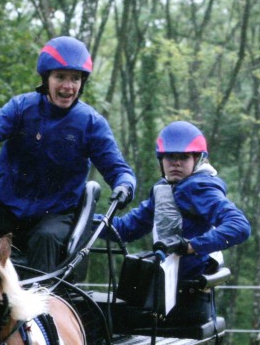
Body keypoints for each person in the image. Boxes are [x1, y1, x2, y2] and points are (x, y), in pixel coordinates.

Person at [0, 35, 136, 275]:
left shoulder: (91, 123)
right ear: (46, 80)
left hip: (54, 215)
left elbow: (119, 170)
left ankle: (42, 309)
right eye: (60, 77)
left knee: (45, 238)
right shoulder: (20, 108)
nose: (68, 86)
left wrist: (125, 186)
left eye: (75, 79)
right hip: (6, 211)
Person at [106, 121, 251, 325]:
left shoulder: (199, 187)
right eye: (169, 157)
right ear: (161, 160)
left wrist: (192, 246)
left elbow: (239, 226)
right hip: (165, 290)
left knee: (101, 318)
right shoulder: (164, 188)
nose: (175, 163)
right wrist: (84, 220)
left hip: (186, 300)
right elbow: (127, 229)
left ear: (197, 159)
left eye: (183, 157)